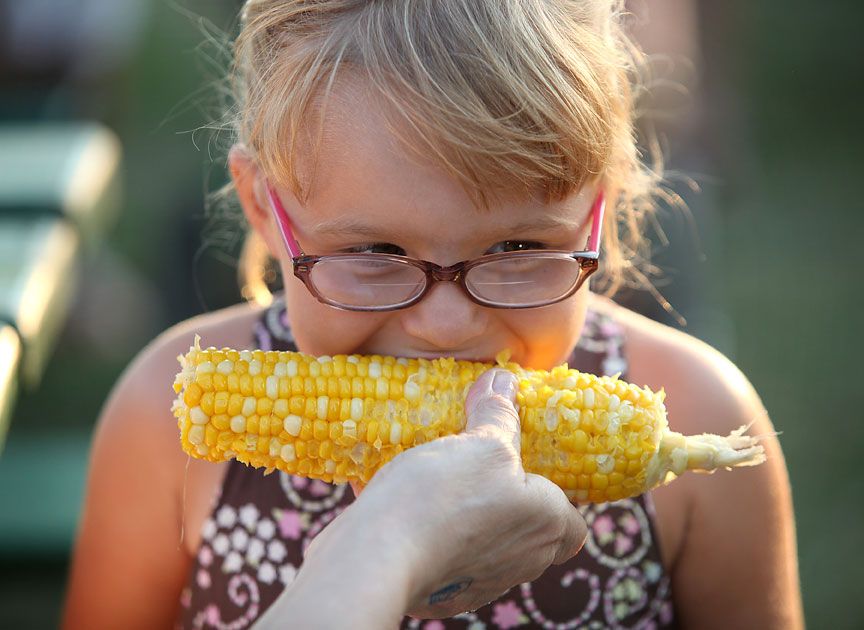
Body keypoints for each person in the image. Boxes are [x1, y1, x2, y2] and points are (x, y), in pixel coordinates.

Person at [62, 1, 803, 628]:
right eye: (375, 249)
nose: (447, 327)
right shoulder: (167, 429)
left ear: (599, 211)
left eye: (519, 245)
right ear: (266, 208)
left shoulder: (699, 437)